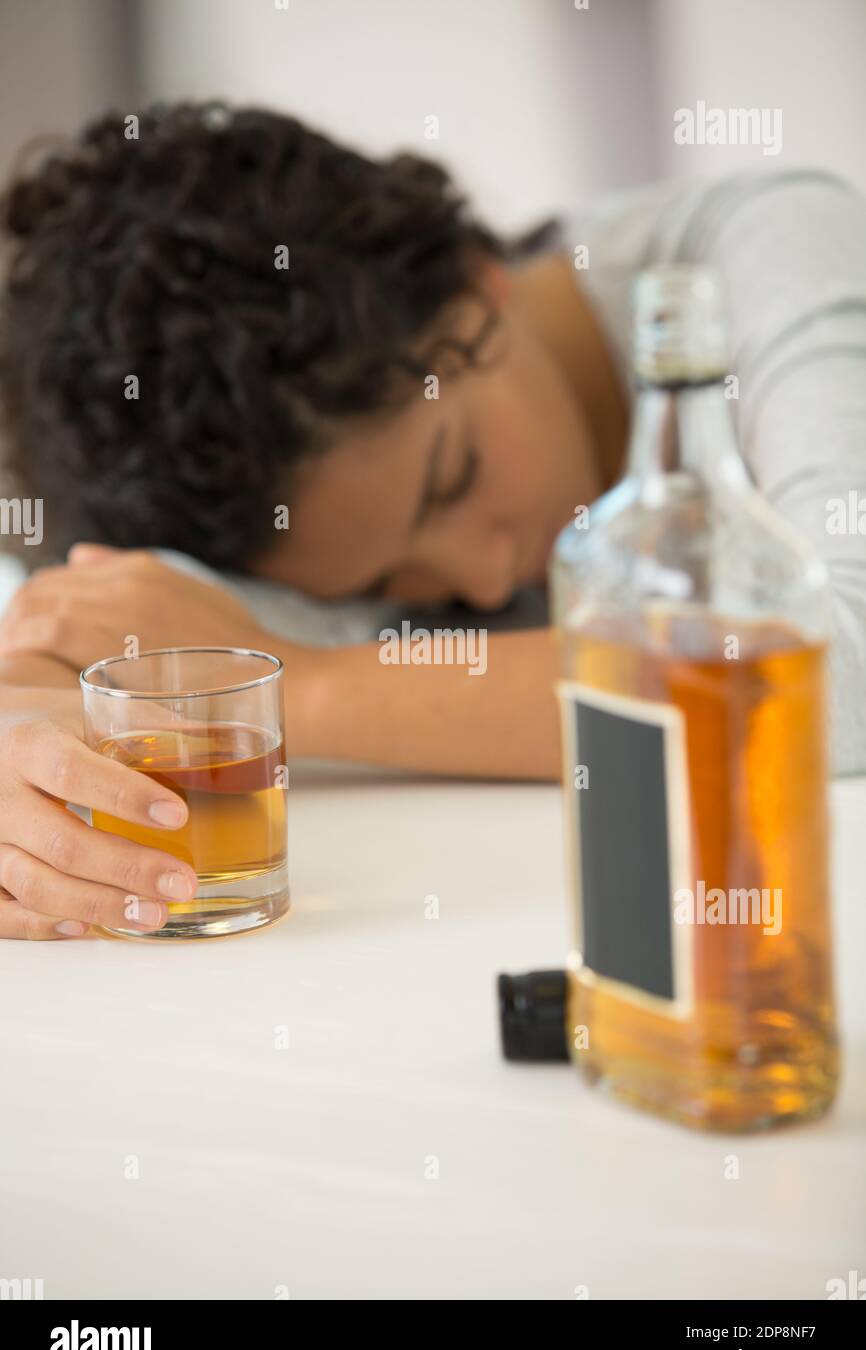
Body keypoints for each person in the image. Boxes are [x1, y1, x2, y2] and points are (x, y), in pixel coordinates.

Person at [0, 102, 864, 941]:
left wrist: (305, 687)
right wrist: (20, 726)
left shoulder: (768, 251)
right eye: (389, 583)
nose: (484, 582)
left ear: (476, 281)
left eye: (453, 478)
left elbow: (840, 673)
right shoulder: (307, 507)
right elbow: (126, 615)